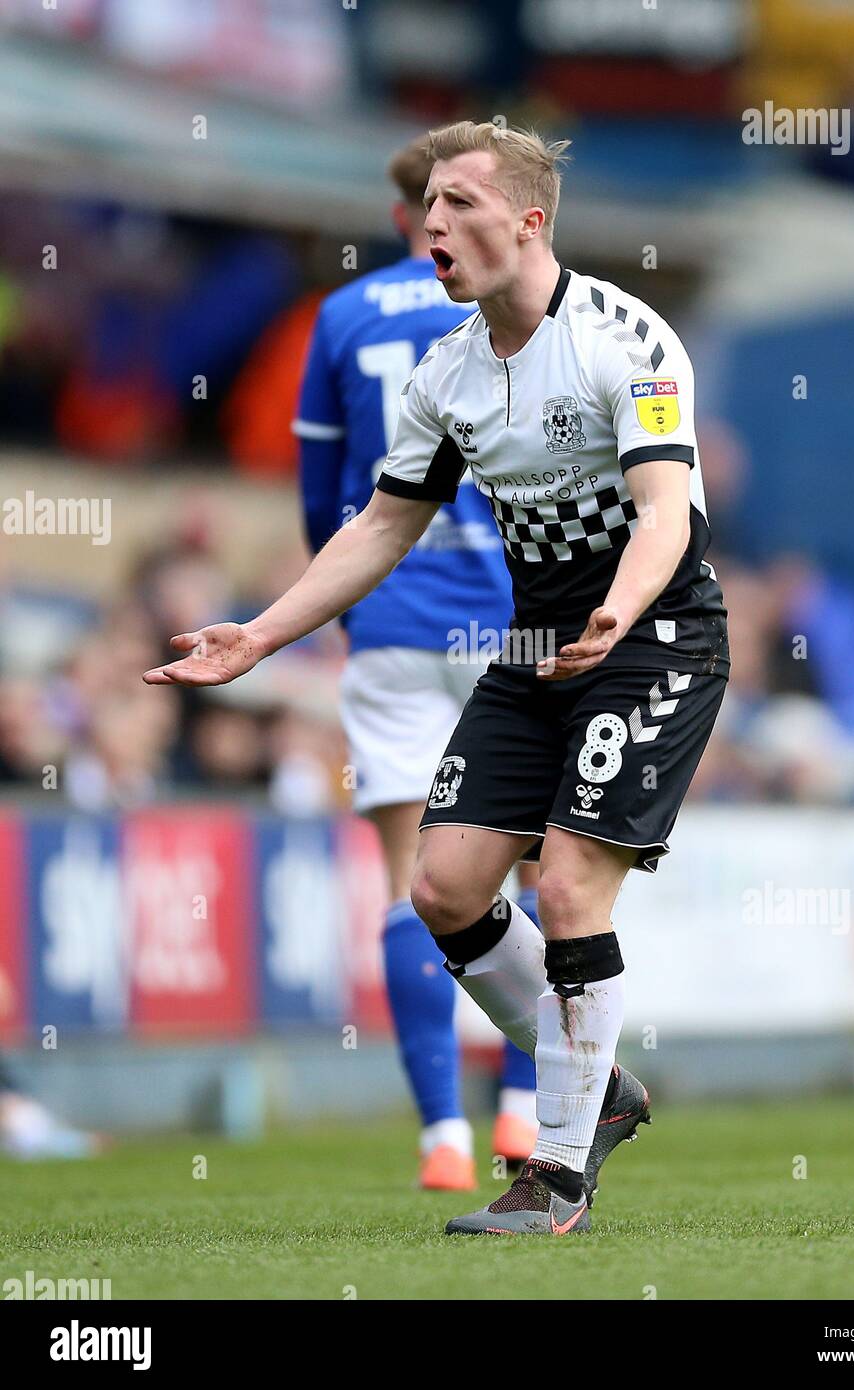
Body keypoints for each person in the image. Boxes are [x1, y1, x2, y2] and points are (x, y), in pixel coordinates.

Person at [145, 121, 729, 1237]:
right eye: (429, 205)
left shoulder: (624, 336)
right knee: (444, 889)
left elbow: (665, 509)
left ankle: (555, 1174)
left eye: (460, 202)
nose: (433, 223)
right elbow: (379, 527)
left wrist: (621, 604)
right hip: (535, 646)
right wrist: (260, 635)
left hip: (655, 638)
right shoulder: (447, 372)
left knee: (566, 887)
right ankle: (595, 1086)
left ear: (529, 221)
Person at [294, 138, 540, 1191]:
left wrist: (335, 602)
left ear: (396, 215)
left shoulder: (344, 315)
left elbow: (320, 501)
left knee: (410, 878)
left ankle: (442, 1132)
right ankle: (527, 1107)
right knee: (525, 874)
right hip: (513, 624)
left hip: (390, 620)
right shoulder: (508, 310)